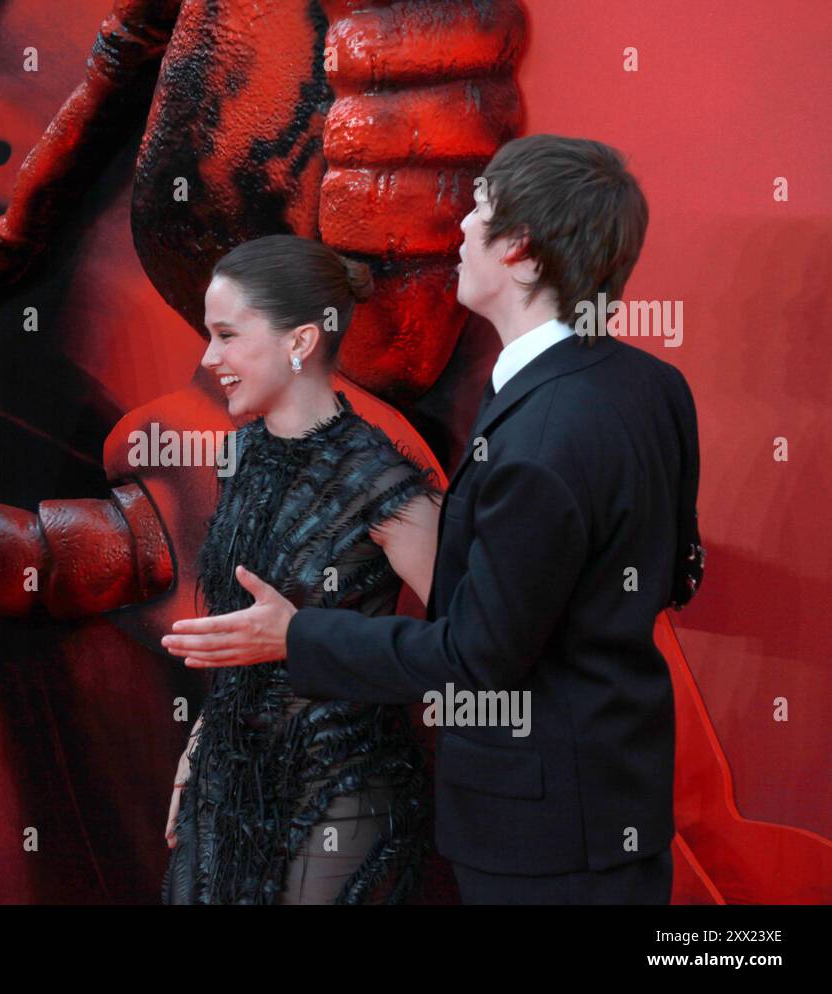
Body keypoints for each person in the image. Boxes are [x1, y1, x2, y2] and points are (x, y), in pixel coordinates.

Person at [163, 135, 704, 904]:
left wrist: (296, 635)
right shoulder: (653, 386)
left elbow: (478, 654)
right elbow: (675, 571)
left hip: (542, 833)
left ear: (519, 249)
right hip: (617, 800)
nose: (457, 230)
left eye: (478, 210)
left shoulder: (542, 437)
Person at [160, 234, 445, 904]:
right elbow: (238, 631)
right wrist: (201, 742)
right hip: (228, 777)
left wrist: (310, 639)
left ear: (301, 342)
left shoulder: (385, 487)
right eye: (210, 335)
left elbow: (469, 648)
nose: (210, 357)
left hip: (341, 790)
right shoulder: (243, 456)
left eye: (228, 335)